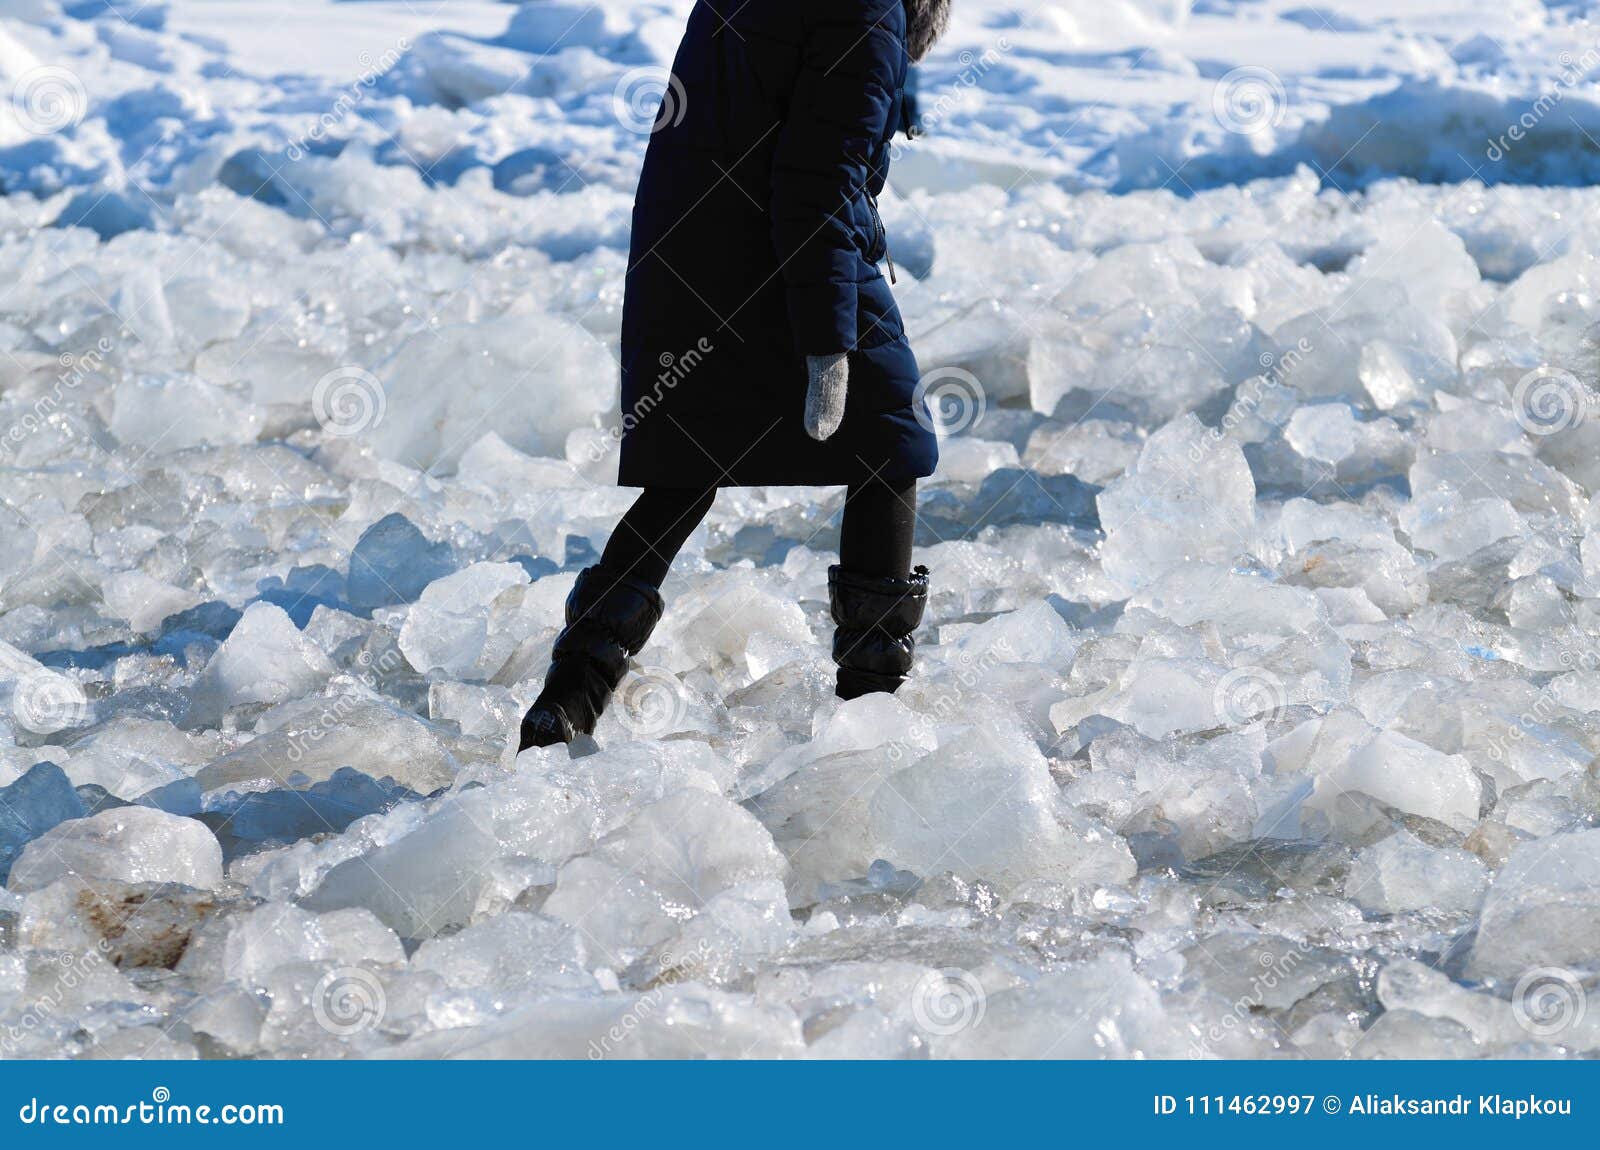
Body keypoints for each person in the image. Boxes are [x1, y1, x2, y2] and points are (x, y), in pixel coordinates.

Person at [519, 0, 952, 751]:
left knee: (690, 467)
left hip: (693, 247)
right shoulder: (866, 11)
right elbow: (818, 182)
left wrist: (888, 84)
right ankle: (869, 722)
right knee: (891, 444)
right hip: (789, 256)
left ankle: (565, 703)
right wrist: (828, 340)